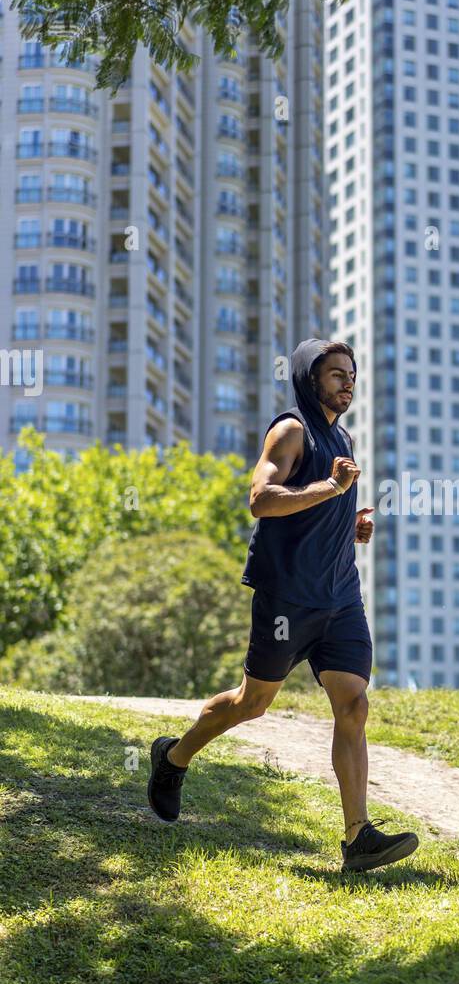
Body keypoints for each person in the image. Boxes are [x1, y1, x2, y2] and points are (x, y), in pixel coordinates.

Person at [147, 337, 419, 874]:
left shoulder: (341, 436)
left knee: (353, 705)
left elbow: (320, 505)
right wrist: (329, 490)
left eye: (351, 373)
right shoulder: (291, 430)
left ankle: (357, 837)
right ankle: (174, 756)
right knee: (252, 703)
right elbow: (261, 500)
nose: (347, 381)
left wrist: (350, 526)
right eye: (336, 373)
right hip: (287, 599)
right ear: (308, 377)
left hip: (340, 598)